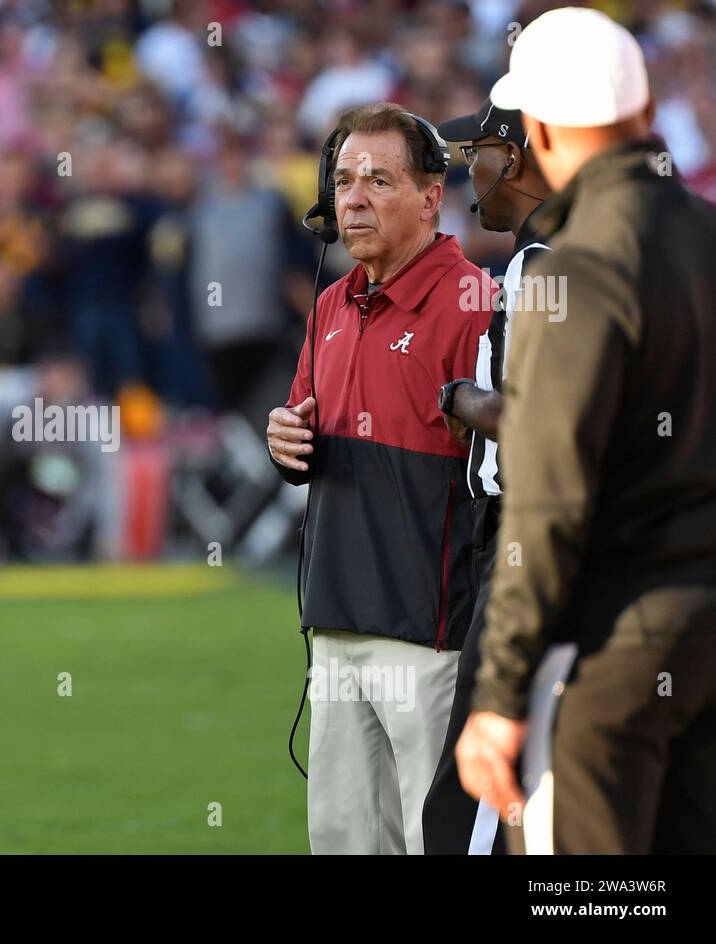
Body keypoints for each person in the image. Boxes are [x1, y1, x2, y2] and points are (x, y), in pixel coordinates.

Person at [456, 7, 716, 854]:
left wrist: (497, 699)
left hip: (611, 647)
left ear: (537, 129)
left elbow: (549, 498)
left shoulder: (581, 265)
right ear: (643, 114)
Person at [266, 103, 491, 854]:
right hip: (333, 623)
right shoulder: (328, 305)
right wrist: (285, 442)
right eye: (342, 180)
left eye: (378, 180)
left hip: (429, 635)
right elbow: (305, 435)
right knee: (342, 839)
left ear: (431, 197)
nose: (352, 198)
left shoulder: (475, 305)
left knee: (437, 840)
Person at [422, 97, 551, 855]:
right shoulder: (605, 253)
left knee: (480, 772)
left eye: (479, 155)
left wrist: (460, 397)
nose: (472, 176)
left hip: (524, 537)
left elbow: (539, 416)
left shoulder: (543, 261)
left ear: (520, 156)